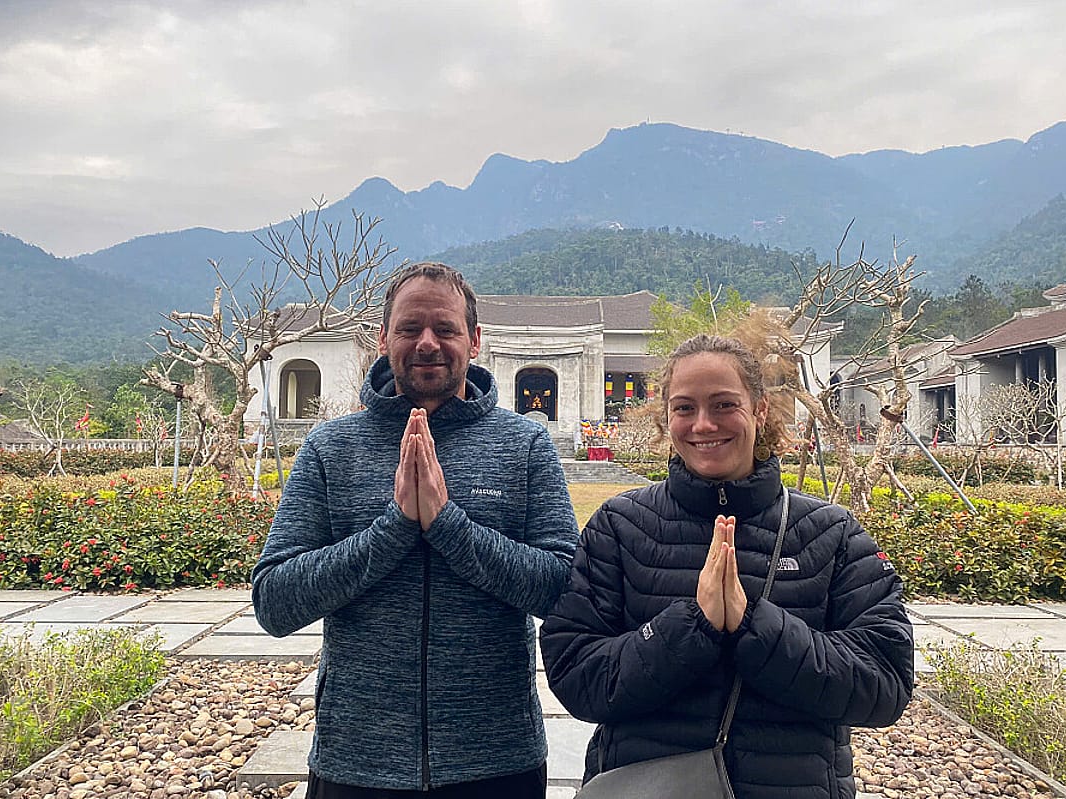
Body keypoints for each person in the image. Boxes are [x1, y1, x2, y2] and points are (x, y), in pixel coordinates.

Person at [253, 262, 579, 798]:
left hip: (496, 759)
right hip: (356, 760)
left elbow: (561, 588)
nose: (427, 343)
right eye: (410, 328)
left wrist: (448, 526)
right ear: (383, 339)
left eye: (445, 328)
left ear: (474, 340)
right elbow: (275, 602)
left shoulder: (523, 445)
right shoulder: (331, 448)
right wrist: (395, 527)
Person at [539, 333, 914, 798]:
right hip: (646, 785)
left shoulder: (830, 533)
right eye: (684, 408)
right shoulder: (619, 526)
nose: (703, 424)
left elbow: (884, 684)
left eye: (723, 405)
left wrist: (754, 624)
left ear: (759, 410)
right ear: (667, 417)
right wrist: (690, 626)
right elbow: (577, 676)